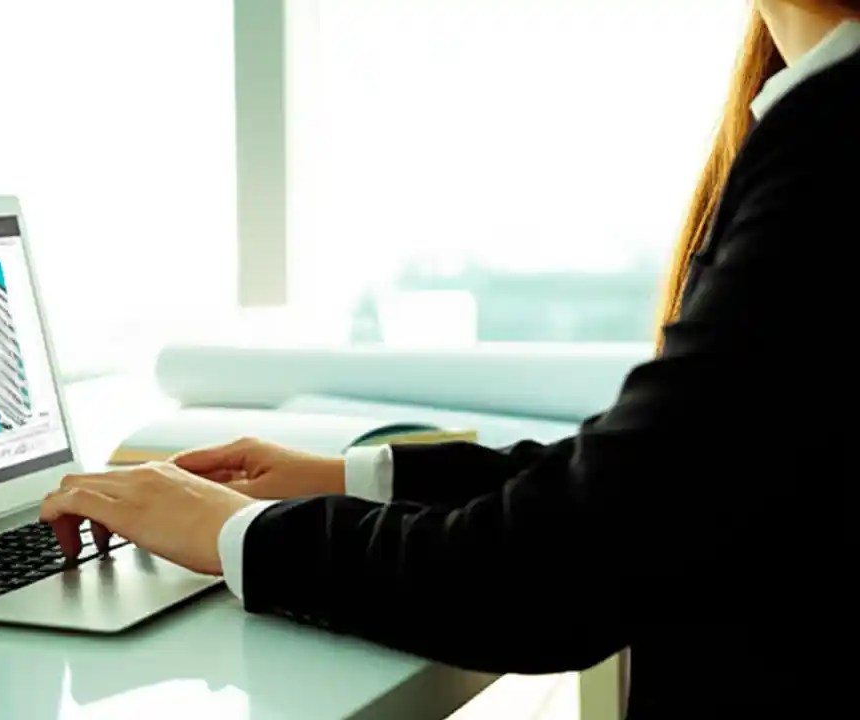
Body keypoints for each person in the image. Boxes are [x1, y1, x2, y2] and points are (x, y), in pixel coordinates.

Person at [42, 1, 850, 716]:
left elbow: (562, 568)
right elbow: (656, 480)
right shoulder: (810, 116)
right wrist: (346, 477)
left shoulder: (828, 145)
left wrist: (233, 531)